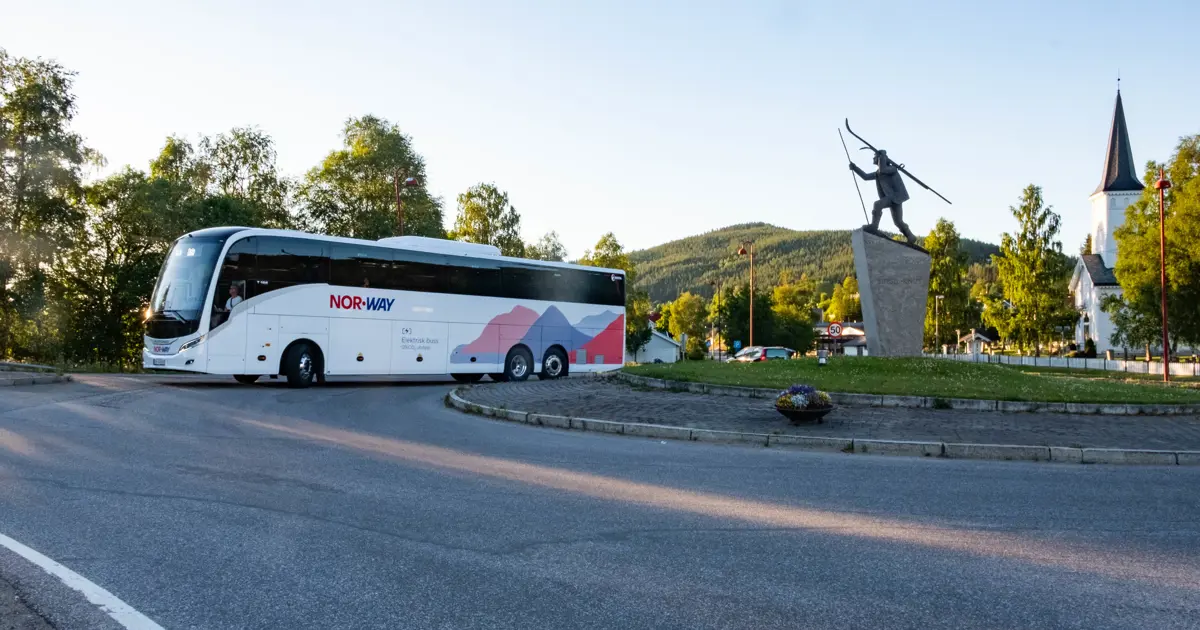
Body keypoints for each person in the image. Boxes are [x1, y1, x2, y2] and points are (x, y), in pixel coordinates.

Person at [850, 149, 917, 245]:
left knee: (879, 206)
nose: (873, 158)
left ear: (880, 158)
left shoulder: (892, 169)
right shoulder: (878, 173)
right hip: (891, 198)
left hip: (895, 197)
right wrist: (855, 168)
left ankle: (874, 226)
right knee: (898, 222)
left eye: (875, 156)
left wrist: (883, 156)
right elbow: (865, 177)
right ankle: (911, 236)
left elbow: (883, 170)